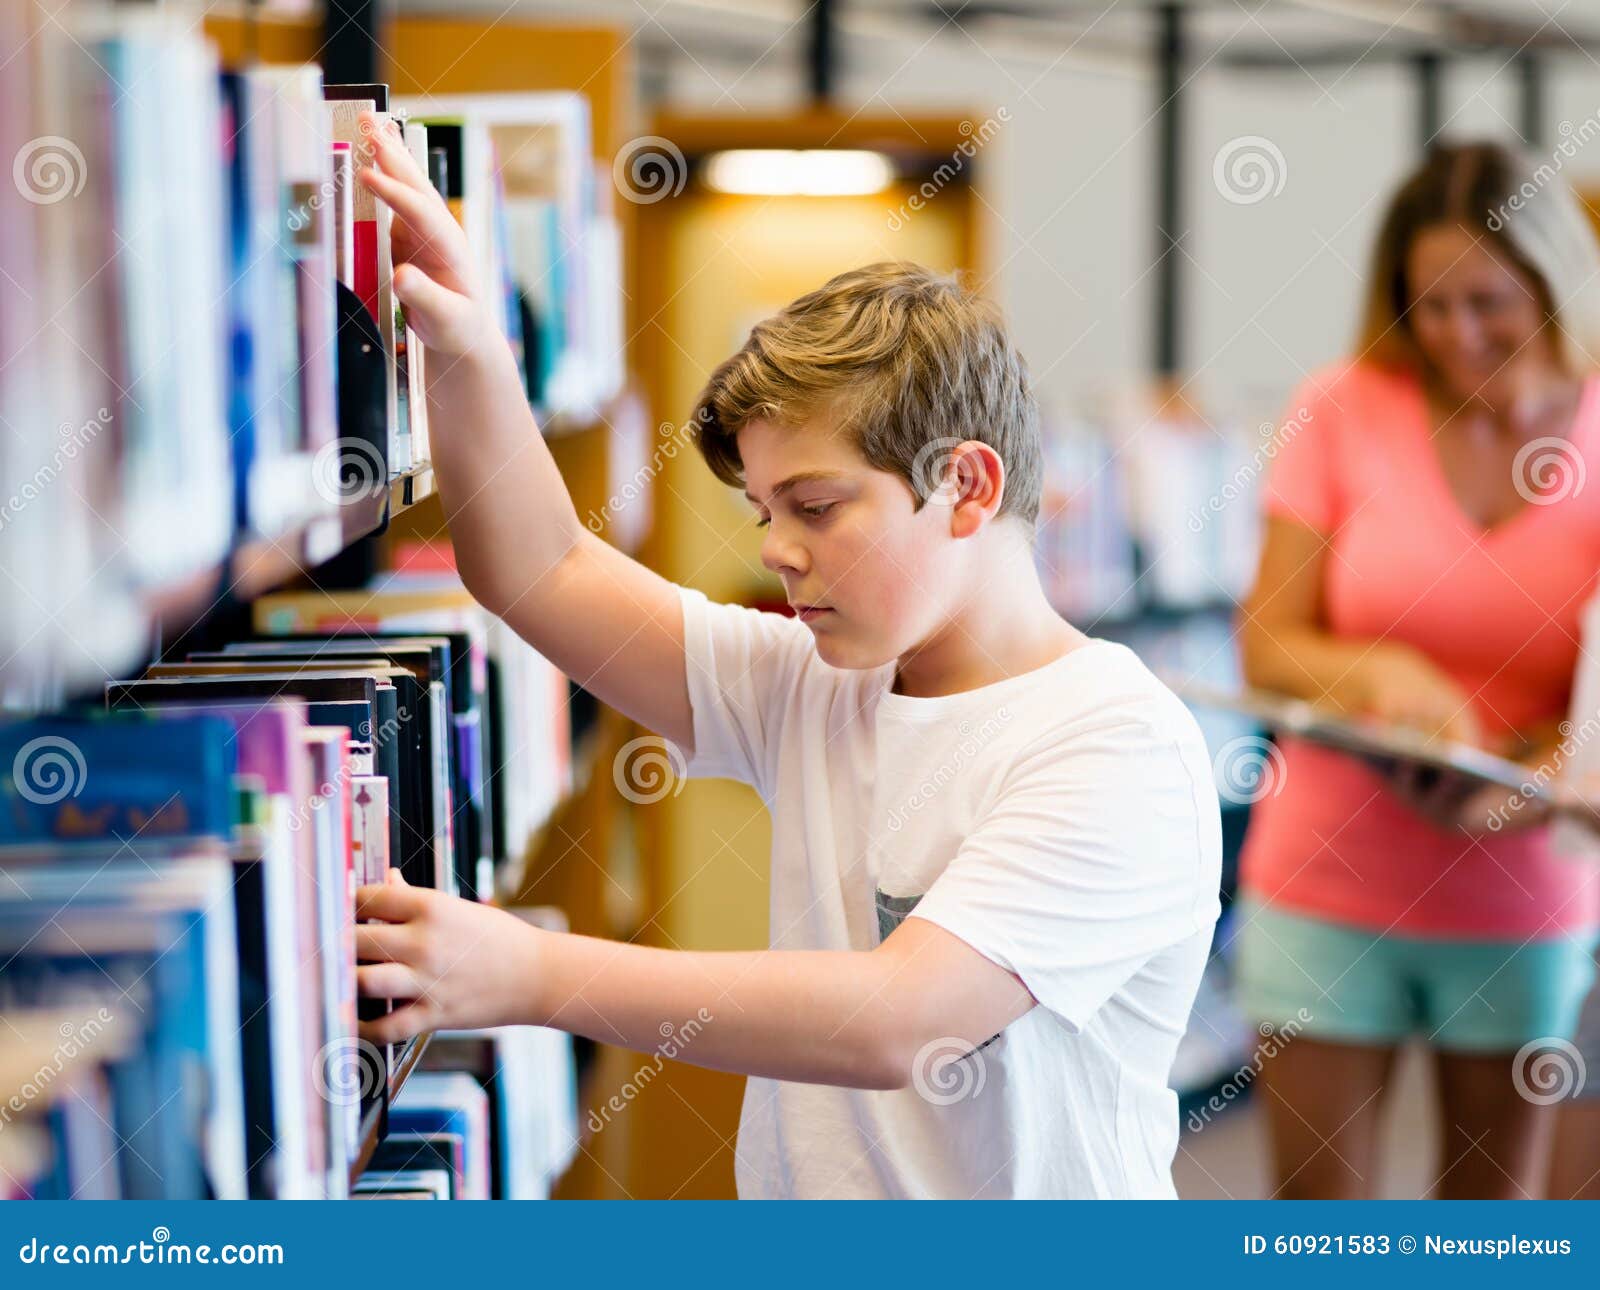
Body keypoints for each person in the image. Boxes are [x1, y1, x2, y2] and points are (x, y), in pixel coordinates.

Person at [348, 114, 1221, 1199]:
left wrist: (532, 972)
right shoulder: (819, 677)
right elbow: (539, 570)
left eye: (814, 506)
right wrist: (470, 346)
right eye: (764, 509)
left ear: (968, 487)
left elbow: (900, 1022)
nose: (773, 550)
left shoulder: (1115, 747)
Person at [1235, 141, 1600, 1199]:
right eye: (1428, 304)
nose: (1458, 333)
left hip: (1523, 897)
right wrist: (1380, 675)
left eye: (1487, 300)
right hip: (1324, 882)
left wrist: (1522, 778)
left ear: (1550, 283)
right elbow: (1267, 640)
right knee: (1315, 1235)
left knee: (1485, 1230)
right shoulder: (1339, 408)